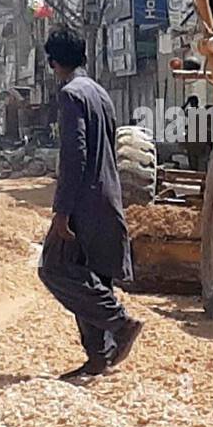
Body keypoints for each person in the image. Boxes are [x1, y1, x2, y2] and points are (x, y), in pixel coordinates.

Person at [36, 26, 143, 380]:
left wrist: (62, 211)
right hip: (107, 199)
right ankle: (100, 356)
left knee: (53, 268)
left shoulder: (70, 95)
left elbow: (75, 155)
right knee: (92, 275)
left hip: (84, 203)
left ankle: (119, 323)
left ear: (53, 62)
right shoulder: (100, 94)